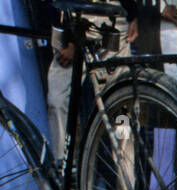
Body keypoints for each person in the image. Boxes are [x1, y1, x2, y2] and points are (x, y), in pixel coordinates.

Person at [46, 0, 138, 160]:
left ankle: (127, 178)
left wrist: (134, 15)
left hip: (115, 22)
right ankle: (63, 166)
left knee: (122, 108)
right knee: (57, 100)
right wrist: (64, 37)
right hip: (75, 19)